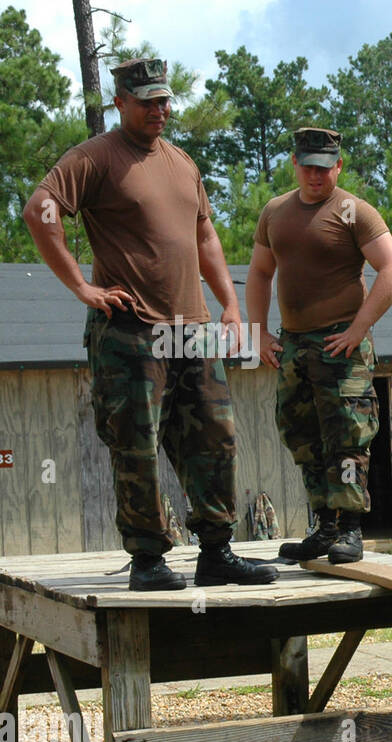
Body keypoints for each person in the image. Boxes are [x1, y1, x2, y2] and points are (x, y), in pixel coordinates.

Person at [22, 58, 275, 591]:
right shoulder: (95, 158)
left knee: (215, 441)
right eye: (147, 102)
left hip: (194, 330)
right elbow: (40, 210)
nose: (160, 109)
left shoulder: (182, 162)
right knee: (136, 447)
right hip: (131, 332)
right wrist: (80, 287)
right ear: (120, 103)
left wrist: (229, 305)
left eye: (165, 100)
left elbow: (204, 236)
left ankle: (217, 552)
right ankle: (147, 561)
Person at [246, 127, 392, 564]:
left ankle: (351, 528)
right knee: (302, 434)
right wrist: (258, 332)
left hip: (341, 344)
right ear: (294, 164)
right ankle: (324, 526)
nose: (315, 176)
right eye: (307, 166)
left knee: (348, 435)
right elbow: (260, 273)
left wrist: (358, 328)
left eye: (324, 167)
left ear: (338, 166)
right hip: (293, 344)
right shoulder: (275, 212)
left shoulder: (355, 212)